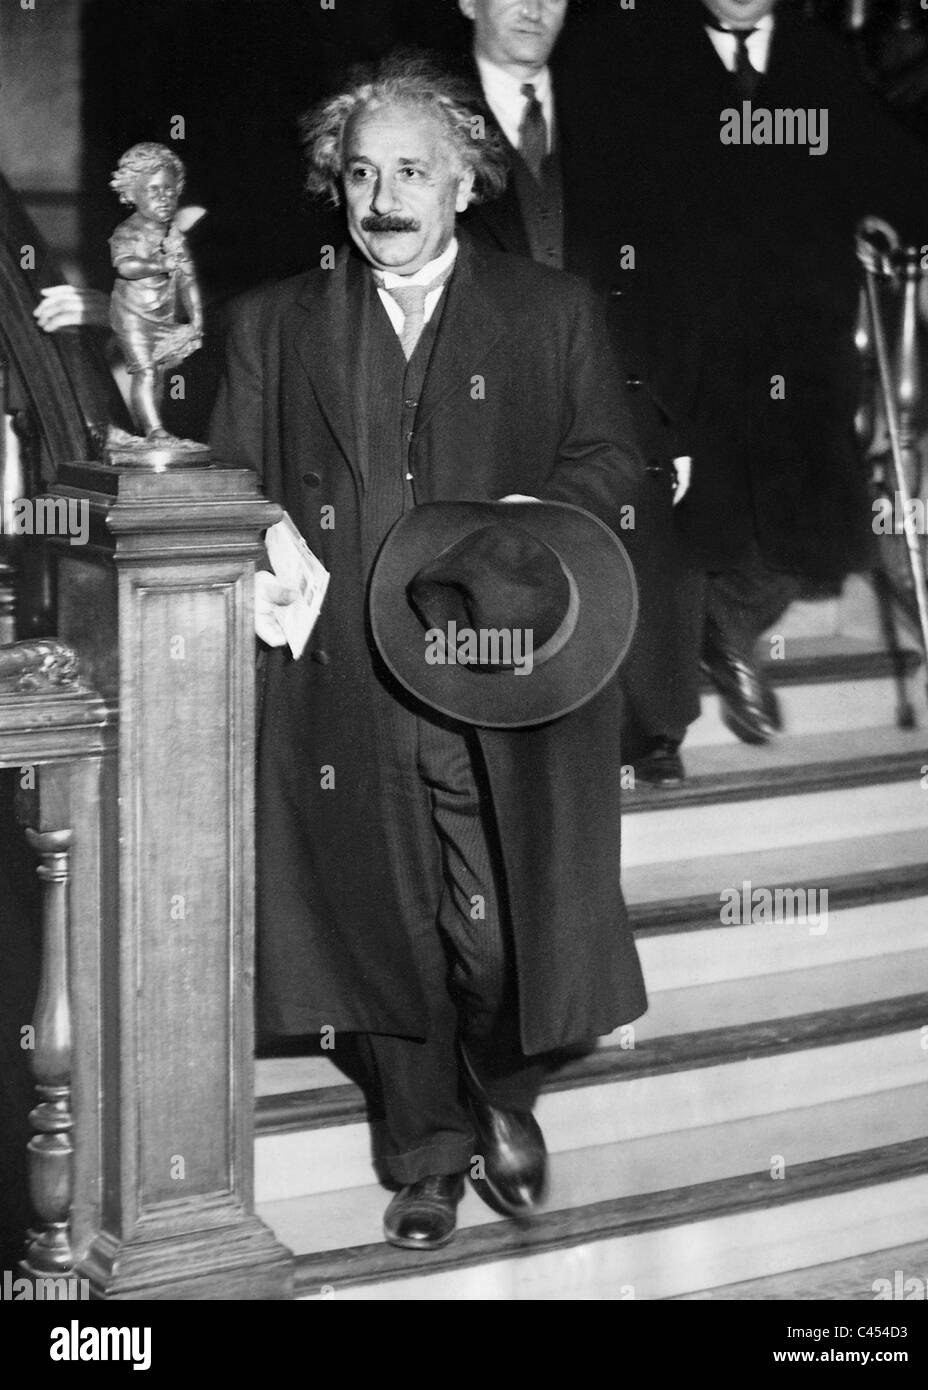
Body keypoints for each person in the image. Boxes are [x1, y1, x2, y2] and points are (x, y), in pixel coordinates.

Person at [207, 52, 651, 1251]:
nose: (382, 198)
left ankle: (504, 1088)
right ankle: (426, 1152)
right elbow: (223, 482)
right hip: (345, 679)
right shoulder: (270, 323)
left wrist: (520, 524)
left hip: (501, 664)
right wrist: (263, 524)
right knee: (379, 917)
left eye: (412, 171)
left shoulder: (549, 310)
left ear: (465, 183)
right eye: (359, 174)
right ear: (333, 189)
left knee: (506, 928)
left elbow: (613, 463)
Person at [573, 0, 928, 747]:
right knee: (688, 521)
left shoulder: (817, 60)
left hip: (801, 344)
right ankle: (659, 706)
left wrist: (888, 222)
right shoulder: (640, 52)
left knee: (822, 527)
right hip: (681, 341)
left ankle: (728, 629)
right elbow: (605, 192)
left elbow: (884, 165)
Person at [454, 0, 699, 786]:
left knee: (642, 549)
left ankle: (652, 732)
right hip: (485, 387)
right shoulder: (430, 116)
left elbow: (669, 276)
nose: (532, 8)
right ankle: (522, 735)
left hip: (619, 386)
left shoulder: (615, 116)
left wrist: (678, 415)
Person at [107, 143, 204, 443]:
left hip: (163, 313)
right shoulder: (128, 232)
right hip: (132, 315)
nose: (164, 198)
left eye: (170, 191)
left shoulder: (172, 234)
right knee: (145, 371)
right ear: (130, 194)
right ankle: (153, 430)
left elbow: (187, 279)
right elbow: (126, 266)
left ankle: (150, 426)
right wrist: (161, 262)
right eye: (153, 190)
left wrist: (197, 318)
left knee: (158, 374)